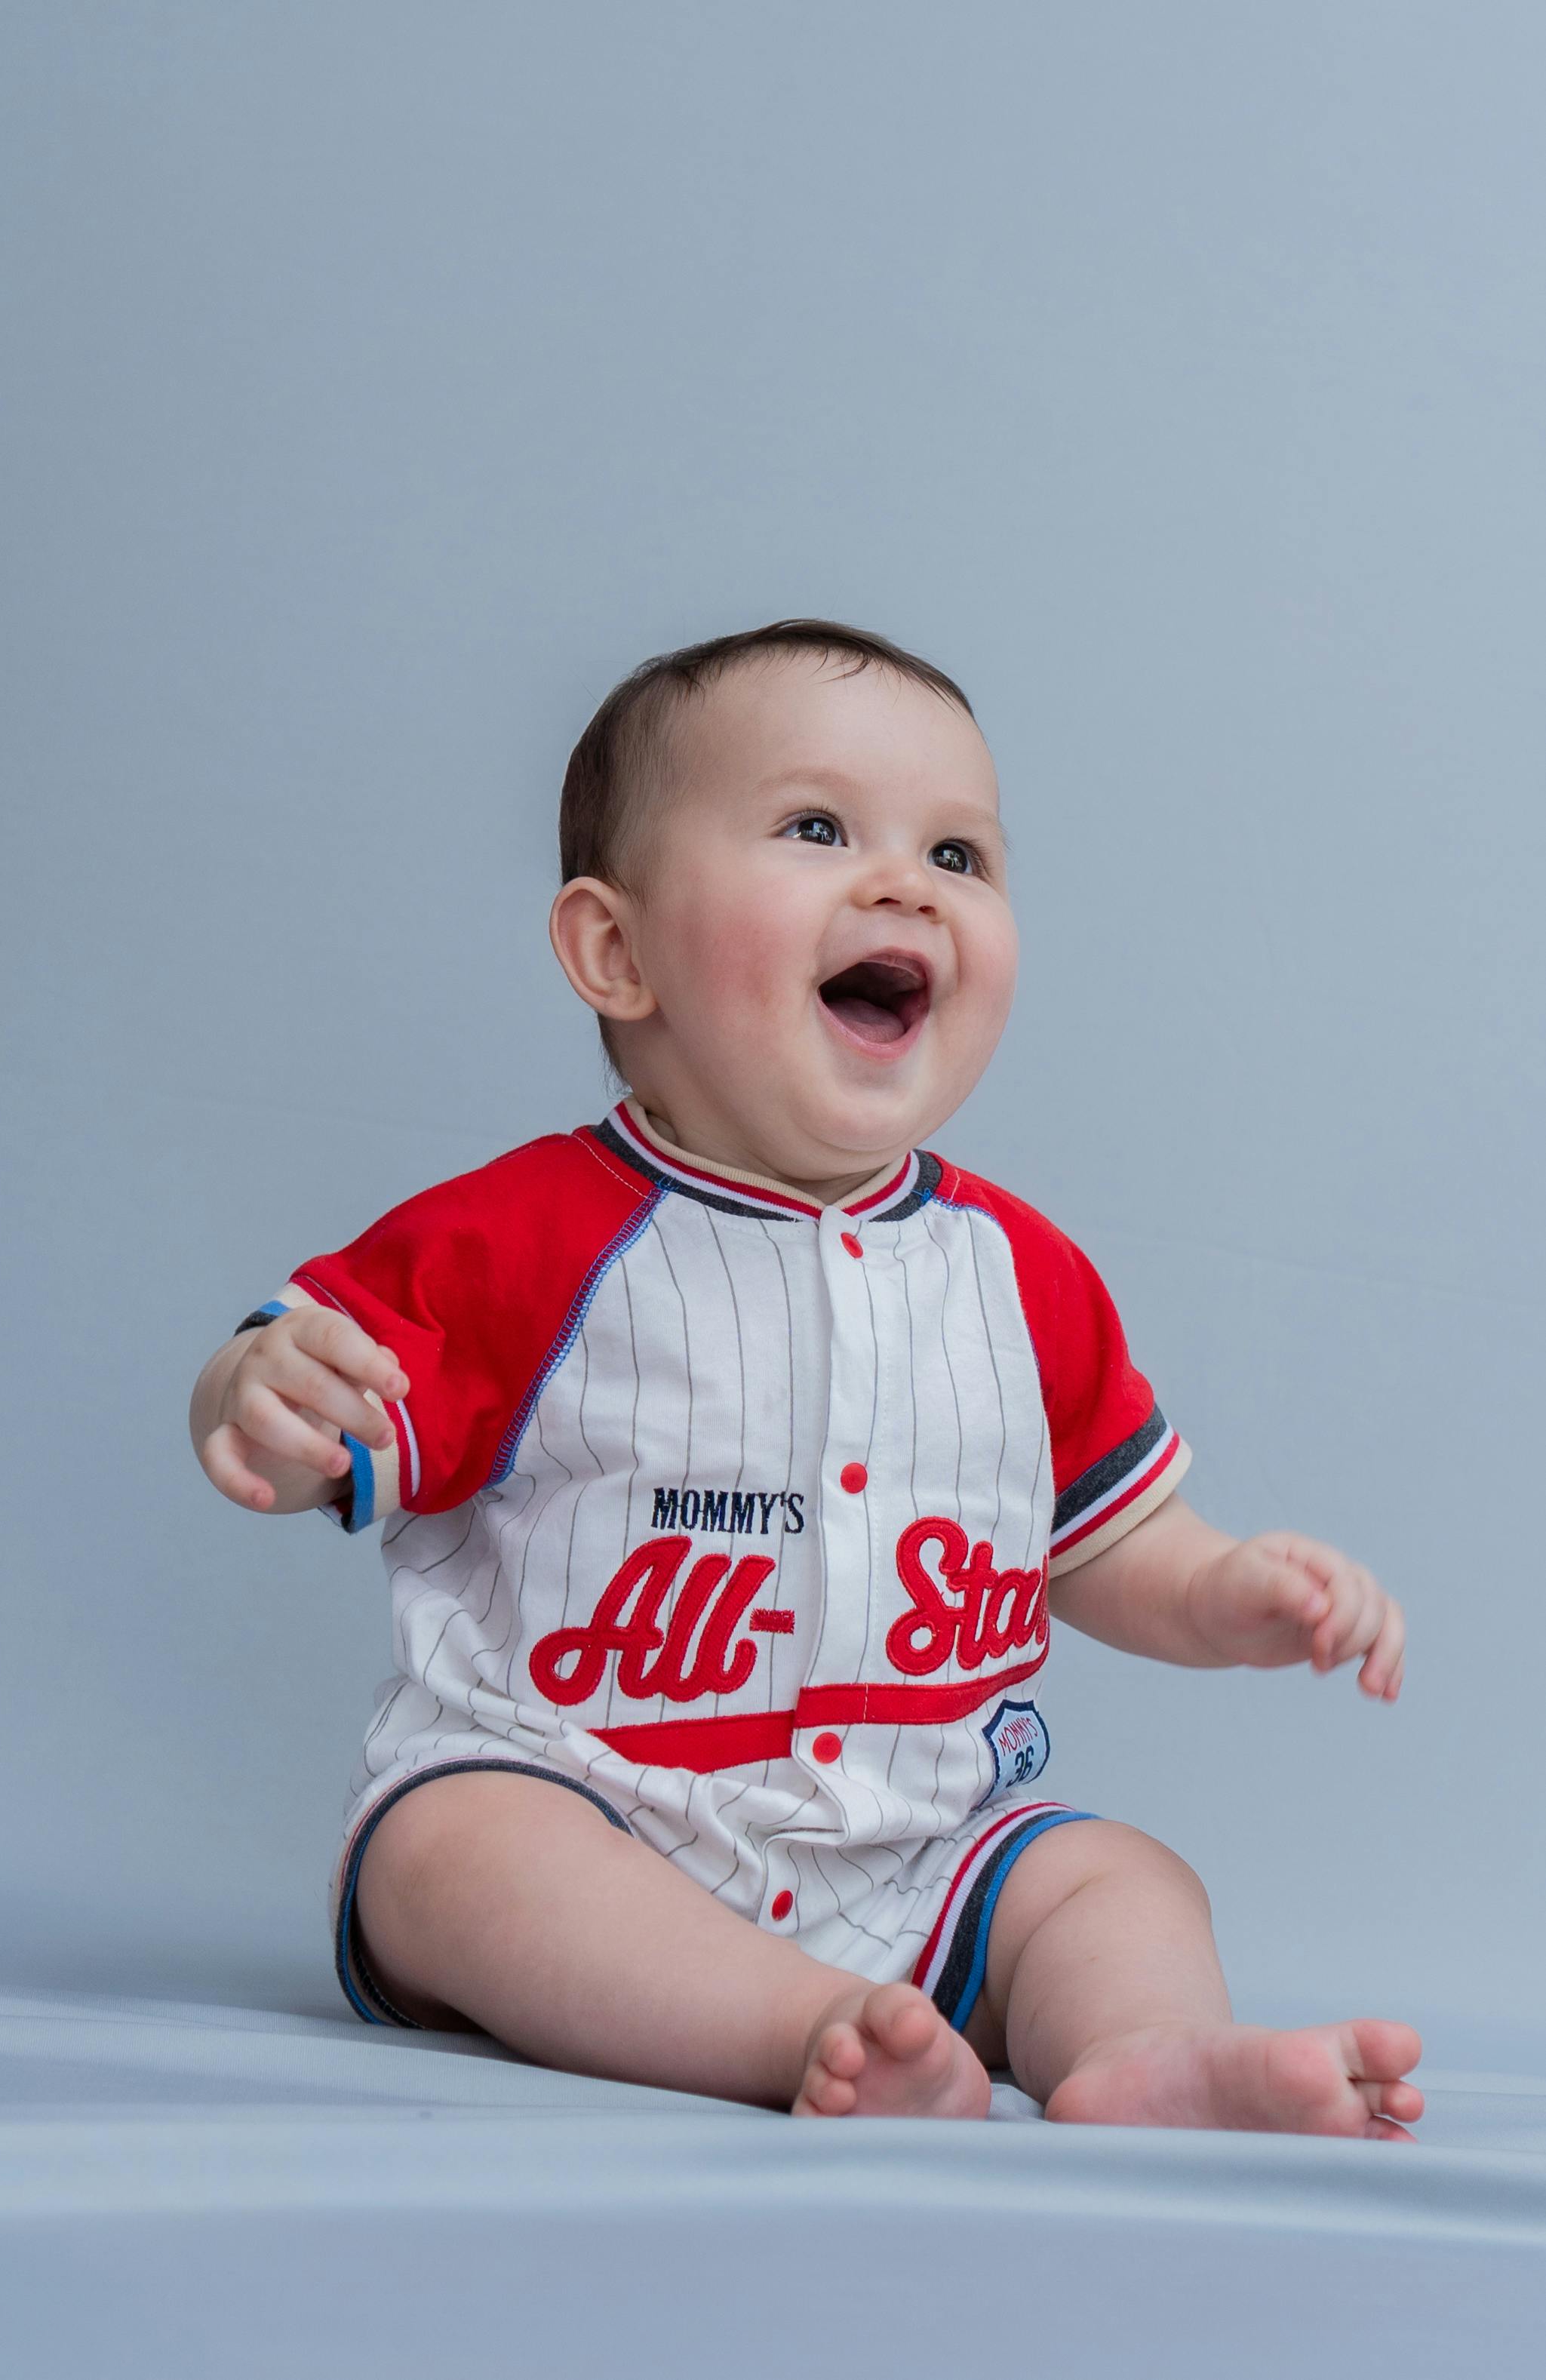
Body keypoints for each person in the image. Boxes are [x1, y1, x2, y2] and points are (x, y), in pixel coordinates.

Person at [188, 620, 1421, 2132]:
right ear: (615, 950)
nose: (904, 880)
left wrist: (1223, 1590)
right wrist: (259, 1389)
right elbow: (300, 1390)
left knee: (1114, 1878)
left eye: (959, 854)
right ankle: (805, 2031)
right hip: (582, 1814)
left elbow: (1107, 1546)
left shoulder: (1019, 1276)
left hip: (912, 1854)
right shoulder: (525, 1237)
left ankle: (1139, 2059)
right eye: (817, 827)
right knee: (443, 1851)